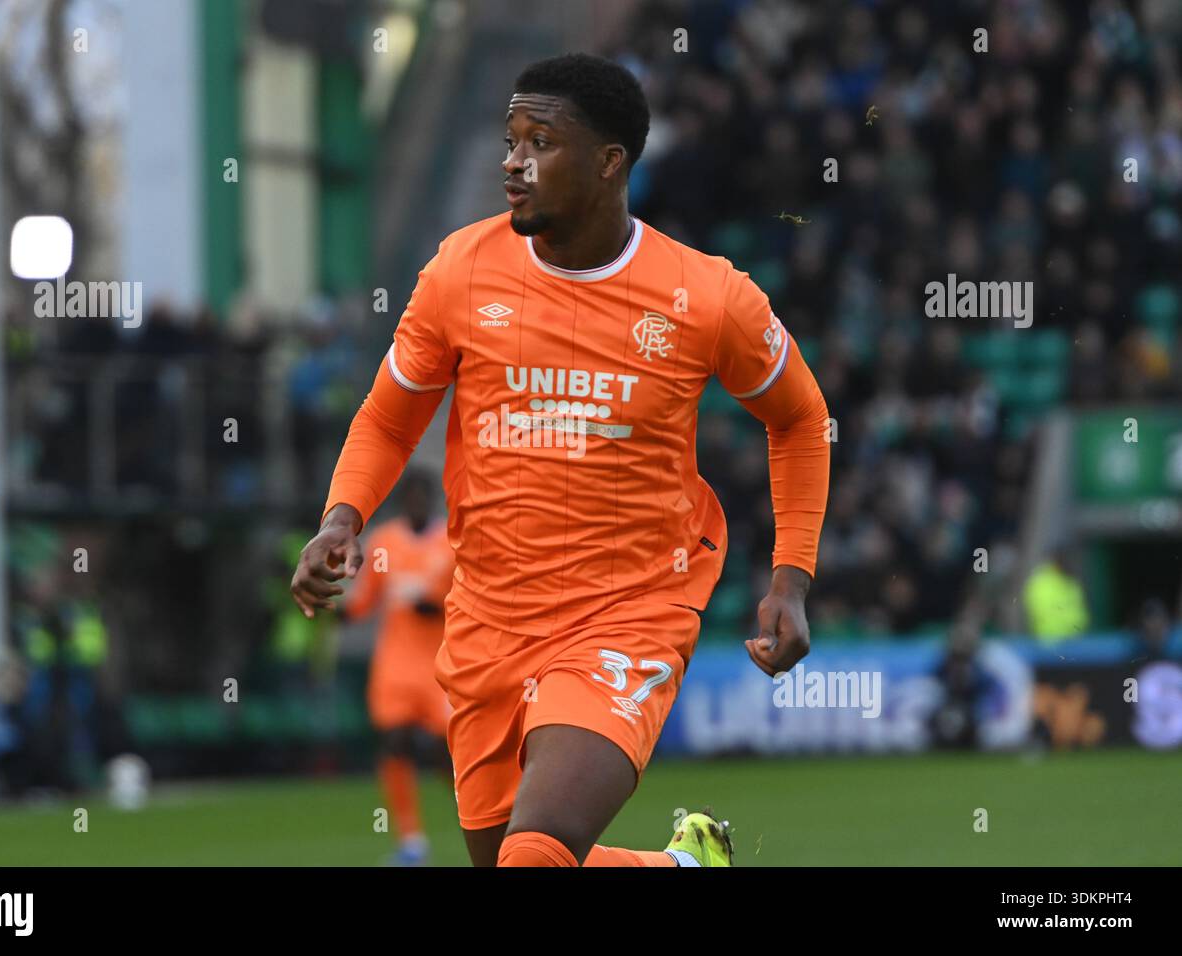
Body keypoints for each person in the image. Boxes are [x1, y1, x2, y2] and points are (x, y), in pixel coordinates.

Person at [291, 54, 830, 867]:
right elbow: (389, 418)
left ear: (610, 162)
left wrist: (791, 578)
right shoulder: (459, 273)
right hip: (488, 623)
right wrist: (342, 518)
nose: (514, 162)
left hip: (628, 613)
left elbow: (801, 418)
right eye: (511, 140)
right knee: (514, 860)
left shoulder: (708, 297)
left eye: (540, 142)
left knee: (536, 852)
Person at [337, 469, 454, 866]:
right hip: (396, 664)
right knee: (395, 741)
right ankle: (410, 840)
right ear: (404, 501)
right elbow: (365, 599)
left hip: (441, 664)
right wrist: (340, 612)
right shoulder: (385, 542)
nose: (417, 503)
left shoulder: (452, 541)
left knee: (446, 750)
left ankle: (481, 814)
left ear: (433, 500)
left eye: (424, 496)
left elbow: (469, 596)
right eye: (412, 497)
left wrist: (436, 605)